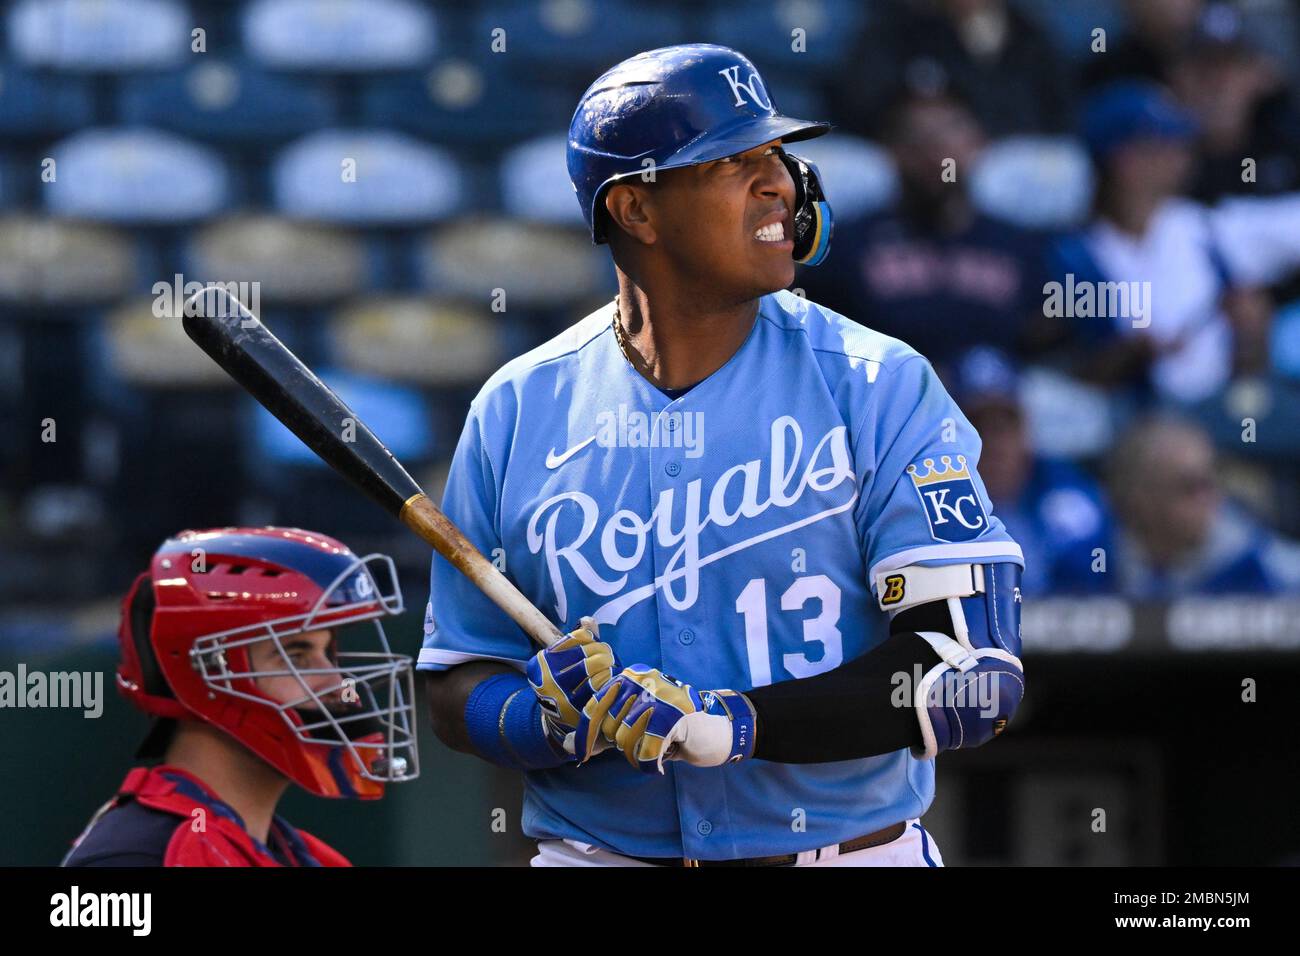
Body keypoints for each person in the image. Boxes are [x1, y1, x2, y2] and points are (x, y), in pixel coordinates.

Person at [421, 44, 1025, 867]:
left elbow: (974, 680)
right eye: (734, 162)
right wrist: (546, 721)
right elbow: (457, 683)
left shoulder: (878, 383)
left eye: (776, 153)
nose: (781, 181)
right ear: (637, 211)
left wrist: (731, 724)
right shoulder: (519, 408)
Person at [63, 527, 418, 867]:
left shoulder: (310, 856)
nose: (335, 680)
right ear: (209, 674)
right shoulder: (133, 856)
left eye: (328, 653)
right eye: (295, 656)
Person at [799, 81, 1056, 376]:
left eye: (949, 132)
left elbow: (1045, 338)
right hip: (879, 402)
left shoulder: (1020, 246)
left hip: (996, 406)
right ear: (890, 149)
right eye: (915, 135)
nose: (933, 150)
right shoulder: (849, 244)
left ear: (979, 142)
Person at [945, 347, 1113, 595]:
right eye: (976, 426)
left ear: (1025, 430)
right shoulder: (929, 501)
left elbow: (1094, 587)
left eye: (1005, 426)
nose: (994, 443)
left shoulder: (1068, 494)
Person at [1106, 417, 1300, 596]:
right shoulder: (1098, 559)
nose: (1211, 499)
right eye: (1190, 488)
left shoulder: (1261, 567)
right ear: (1140, 500)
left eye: (1210, 483)